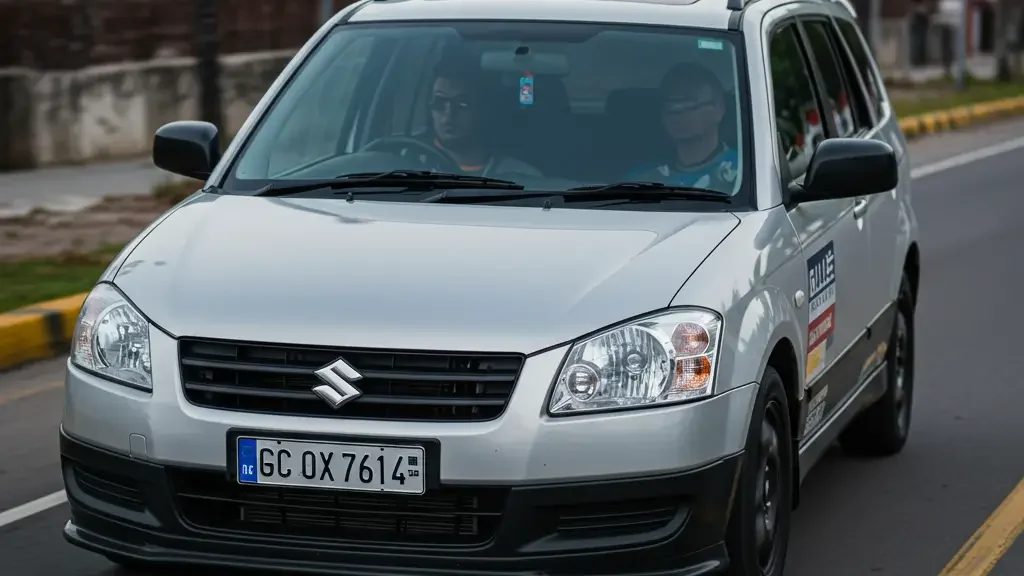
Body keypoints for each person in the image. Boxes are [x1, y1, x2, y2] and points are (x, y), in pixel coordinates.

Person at [411, 54, 541, 177]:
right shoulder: (403, 165)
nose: (448, 114)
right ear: (430, 107)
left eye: (462, 104)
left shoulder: (523, 178)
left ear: (484, 109)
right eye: (440, 102)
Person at [624, 62, 739, 193]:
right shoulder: (642, 179)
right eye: (671, 106)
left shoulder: (743, 175)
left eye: (690, 104)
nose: (678, 113)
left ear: (720, 109)